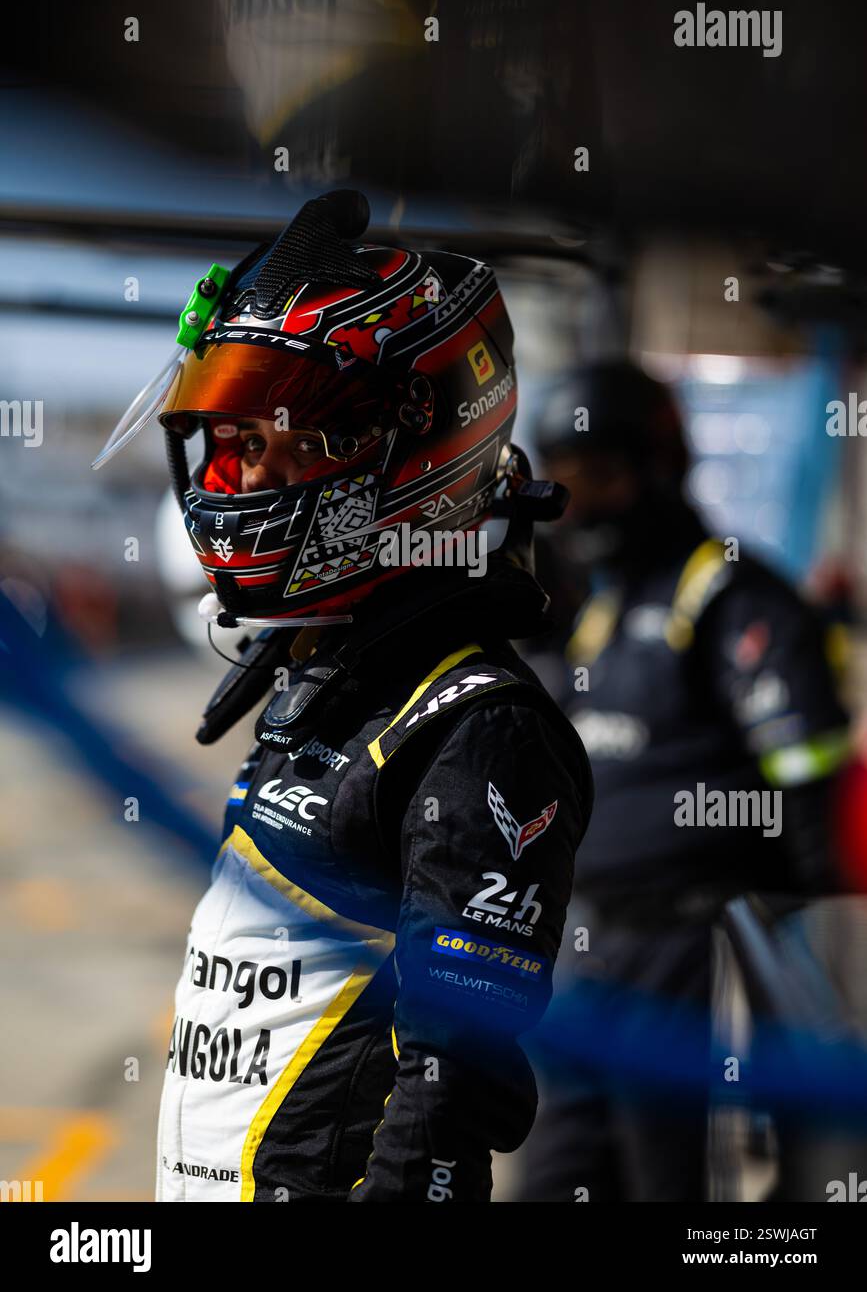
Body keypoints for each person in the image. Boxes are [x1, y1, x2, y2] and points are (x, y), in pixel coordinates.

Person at [94, 190, 593, 1202]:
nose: (234, 480)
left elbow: (450, 1091)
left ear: (404, 438)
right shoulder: (322, 676)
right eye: (227, 443)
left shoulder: (473, 726)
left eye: (273, 442)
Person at [518, 358, 850, 1202]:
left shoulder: (733, 598)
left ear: (658, 466)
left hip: (695, 963)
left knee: (674, 1189)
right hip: (592, 957)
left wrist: (790, 995)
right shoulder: (591, 611)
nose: (581, 503)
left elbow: (814, 794)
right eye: (563, 481)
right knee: (555, 1177)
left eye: (600, 476)